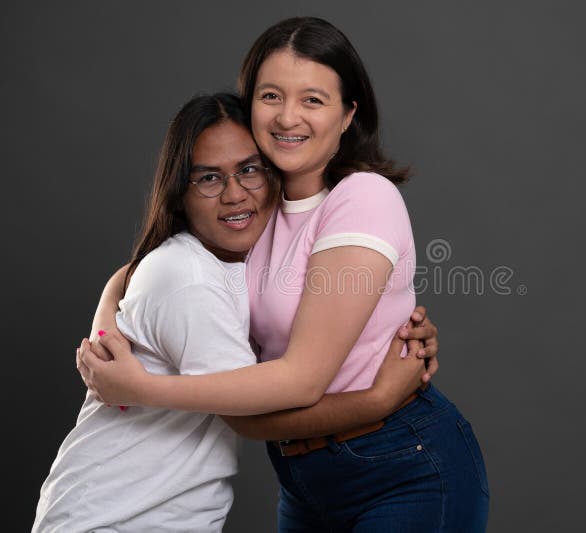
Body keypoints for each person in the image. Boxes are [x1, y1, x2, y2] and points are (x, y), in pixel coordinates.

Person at [80, 16, 488, 532]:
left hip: (401, 461)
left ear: (347, 115)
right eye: (271, 95)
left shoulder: (362, 197)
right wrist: (104, 329)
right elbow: (151, 268)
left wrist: (141, 389)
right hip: (305, 480)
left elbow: (301, 380)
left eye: (313, 100)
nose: (288, 116)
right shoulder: (254, 207)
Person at [34, 93, 432, 532]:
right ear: (179, 194)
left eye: (248, 170)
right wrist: (380, 399)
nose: (234, 194)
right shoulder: (189, 278)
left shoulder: (241, 265)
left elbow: (129, 274)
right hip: (115, 519)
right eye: (208, 178)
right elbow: (252, 417)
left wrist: (395, 321)